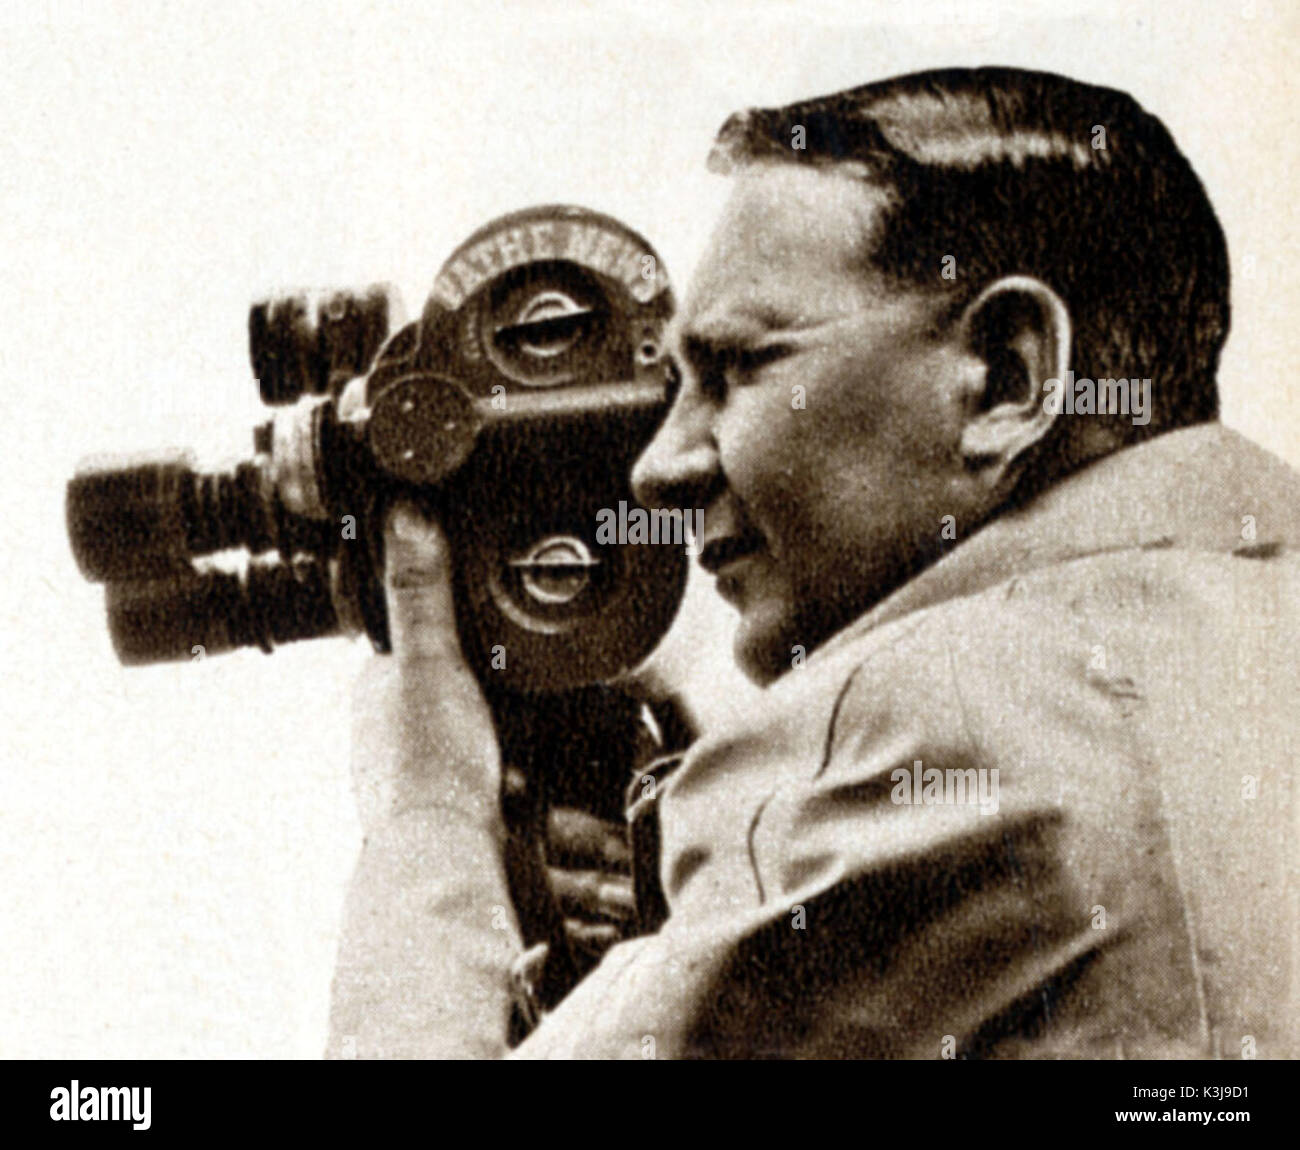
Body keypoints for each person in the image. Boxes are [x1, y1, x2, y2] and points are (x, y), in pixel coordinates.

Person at [327, 66, 1300, 1059]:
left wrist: (429, 810)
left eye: (736, 370)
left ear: (1007, 378)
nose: (661, 467)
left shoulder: (934, 716)